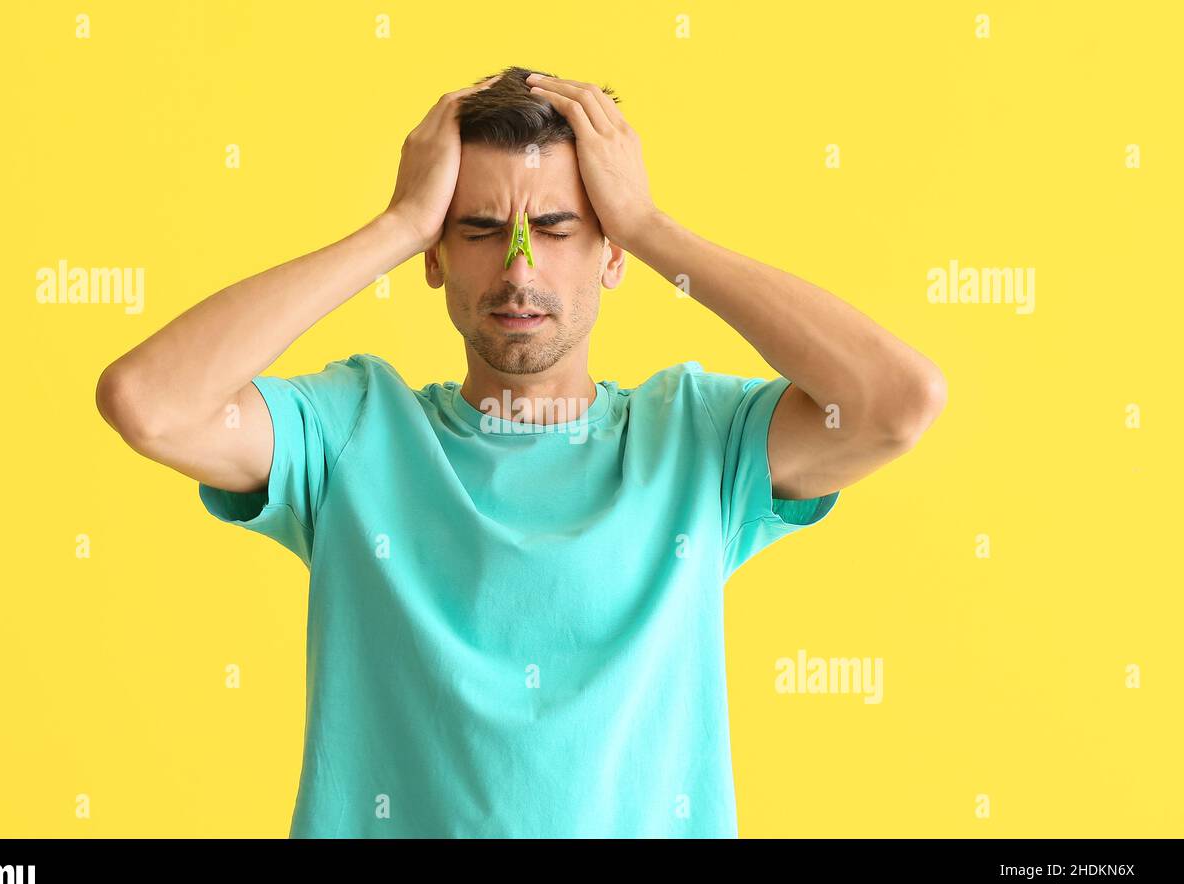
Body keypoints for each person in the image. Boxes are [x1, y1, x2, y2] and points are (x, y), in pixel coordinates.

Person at [95, 66, 946, 838]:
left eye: (557, 226)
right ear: (435, 256)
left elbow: (895, 405)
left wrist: (651, 225)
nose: (518, 267)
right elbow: (149, 403)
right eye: (477, 228)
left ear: (611, 254)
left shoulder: (696, 438)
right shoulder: (354, 430)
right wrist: (393, 226)